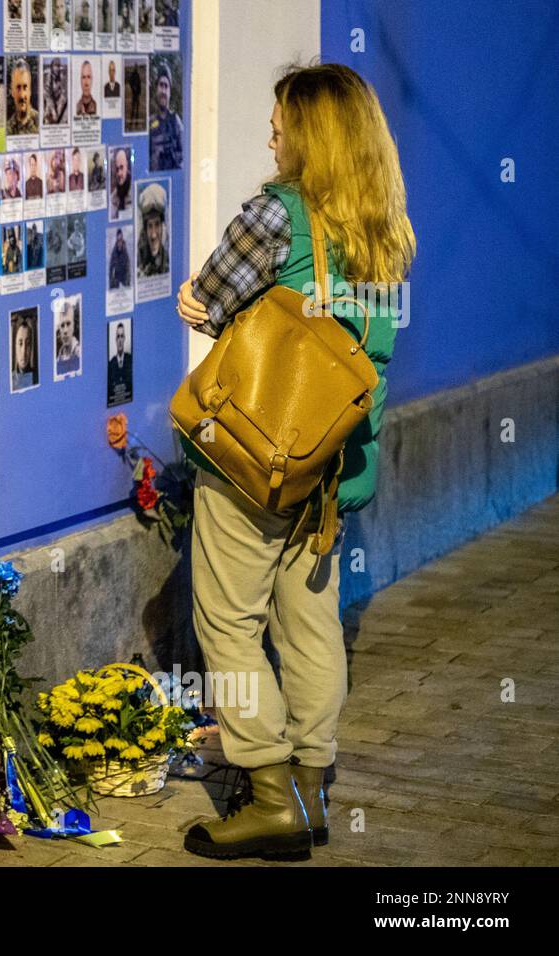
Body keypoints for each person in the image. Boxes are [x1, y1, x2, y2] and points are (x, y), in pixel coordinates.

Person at [175, 63, 412, 861]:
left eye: (280, 121)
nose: (270, 133)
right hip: (333, 468)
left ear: (309, 133)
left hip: (259, 460)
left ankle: (266, 791)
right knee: (311, 626)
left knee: (227, 624)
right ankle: (311, 791)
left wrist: (197, 302)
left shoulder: (276, 216)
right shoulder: (383, 224)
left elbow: (209, 297)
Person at [149, 59, 184, 169]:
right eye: (161, 85)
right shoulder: (149, 123)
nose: (163, 91)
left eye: (166, 86)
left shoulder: (176, 122)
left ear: (169, 92)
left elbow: (185, 157)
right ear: (156, 89)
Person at [137, 181, 168, 276]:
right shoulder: (138, 263)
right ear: (145, 230)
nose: (153, 235)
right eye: (150, 226)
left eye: (157, 224)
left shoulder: (167, 261)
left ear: (163, 227)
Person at [7, 59, 38, 135]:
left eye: (25, 87)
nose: (22, 95)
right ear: (12, 91)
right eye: (18, 87)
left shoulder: (41, 121)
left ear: (30, 90)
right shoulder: (7, 129)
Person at [54, 299, 80, 374]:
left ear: (74, 326)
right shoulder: (57, 360)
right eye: (62, 325)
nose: (65, 331)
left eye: (68, 324)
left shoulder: (81, 354)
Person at [11, 313, 36, 390]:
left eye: (28, 344)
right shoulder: (10, 381)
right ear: (15, 345)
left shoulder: (36, 378)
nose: (24, 351)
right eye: (20, 343)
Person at [107, 322, 130, 399]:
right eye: (118, 336)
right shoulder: (110, 363)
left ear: (124, 338)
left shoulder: (130, 359)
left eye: (122, 336)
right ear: (115, 339)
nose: (120, 340)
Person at [111, 146, 131, 219]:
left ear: (127, 166)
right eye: (117, 169)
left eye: (122, 167)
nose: (119, 173)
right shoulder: (113, 198)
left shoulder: (135, 194)